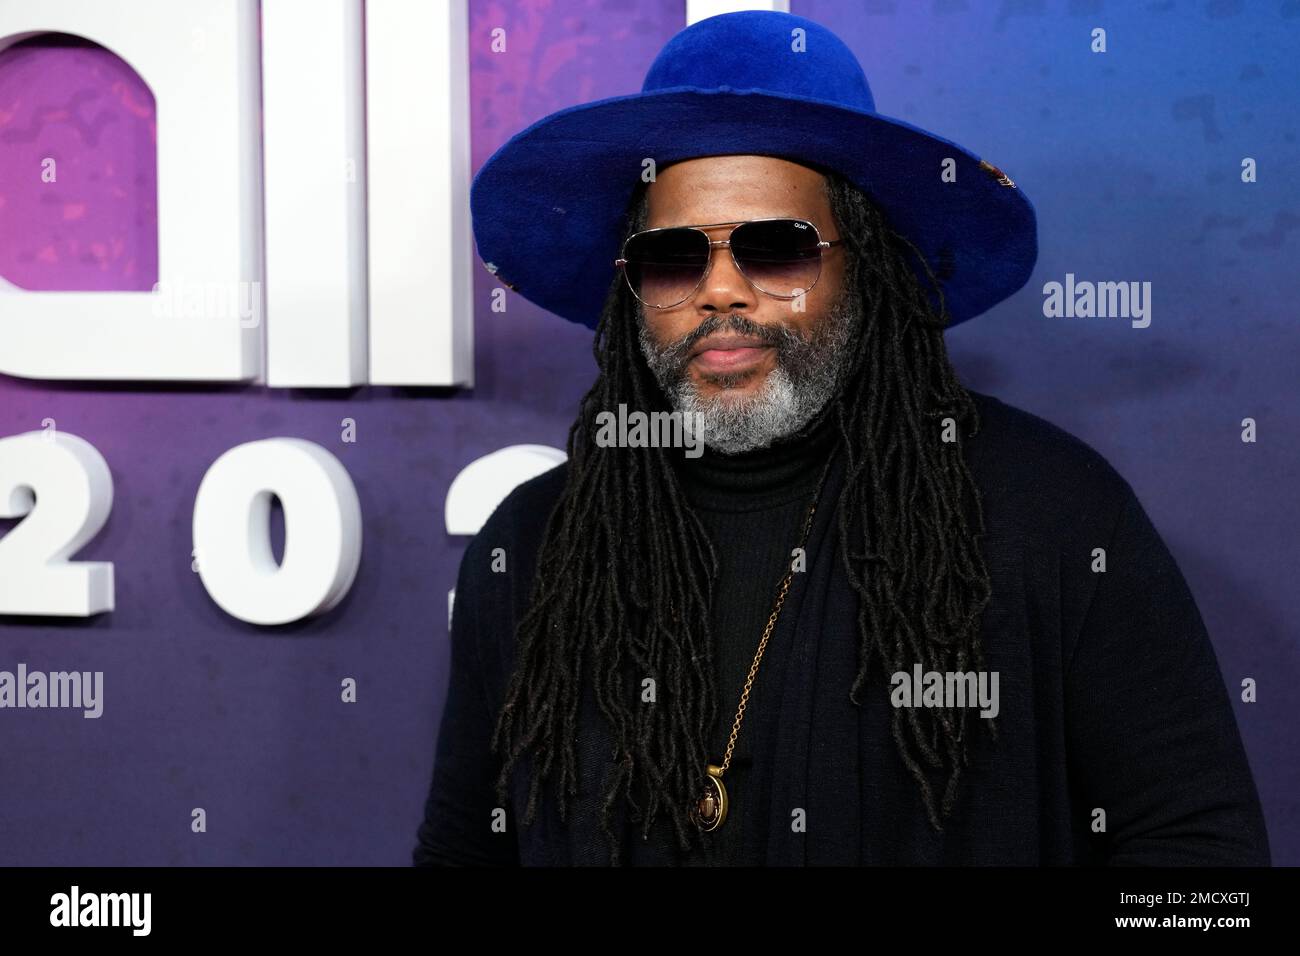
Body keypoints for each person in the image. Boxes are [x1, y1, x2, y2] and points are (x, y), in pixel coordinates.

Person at [413, 10, 1269, 866]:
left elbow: (1203, 861)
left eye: (776, 250)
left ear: (866, 266)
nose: (720, 291)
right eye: (673, 257)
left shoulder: (1052, 514)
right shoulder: (534, 545)